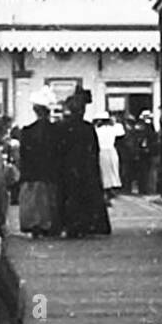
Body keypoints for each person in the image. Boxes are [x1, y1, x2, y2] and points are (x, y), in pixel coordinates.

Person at [56, 88, 111, 237]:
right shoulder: (87, 128)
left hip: (68, 167)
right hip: (85, 167)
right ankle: (86, 224)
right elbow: (94, 150)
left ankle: (70, 224)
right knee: (85, 197)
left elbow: (59, 149)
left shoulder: (62, 127)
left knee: (70, 196)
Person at [17, 89, 60, 237]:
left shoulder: (27, 131)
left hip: (33, 172)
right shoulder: (56, 130)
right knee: (49, 200)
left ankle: (35, 226)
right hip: (51, 172)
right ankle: (48, 225)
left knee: (34, 202)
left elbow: (23, 155)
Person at [95, 112, 123, 201]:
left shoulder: (98, 130)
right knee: (113, 169)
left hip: (102, 151)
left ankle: (106, 188)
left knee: (104, 170)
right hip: (111, 150)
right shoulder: (113, 129)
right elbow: (121, 132)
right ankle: (112, 187)